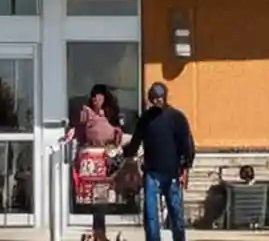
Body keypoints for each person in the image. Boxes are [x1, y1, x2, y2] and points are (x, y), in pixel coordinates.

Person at [124, 82, 194, 241]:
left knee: (176, 213)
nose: (157, 101)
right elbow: (135, 141)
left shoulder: (176, 117)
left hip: (172, 173)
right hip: (151, 173)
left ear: (165, 97)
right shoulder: (146, 119)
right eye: (154, 98)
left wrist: (186, 168)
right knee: (150, 214)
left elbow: (187, 144)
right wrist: (126, 155)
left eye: (160, 98)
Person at [64, 84, 124, 241]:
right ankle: (97, 232)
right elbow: (79, 130)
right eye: (93, 96)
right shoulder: (87, 113)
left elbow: (118, 133)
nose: (95, 99)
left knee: (102, 199)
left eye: (98, 96)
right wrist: (72, 134)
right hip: (91, 162)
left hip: (106, 161)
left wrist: (117, 137)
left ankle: (100, 232)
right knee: (93, 200)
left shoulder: (111, 114)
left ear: (105, 98)